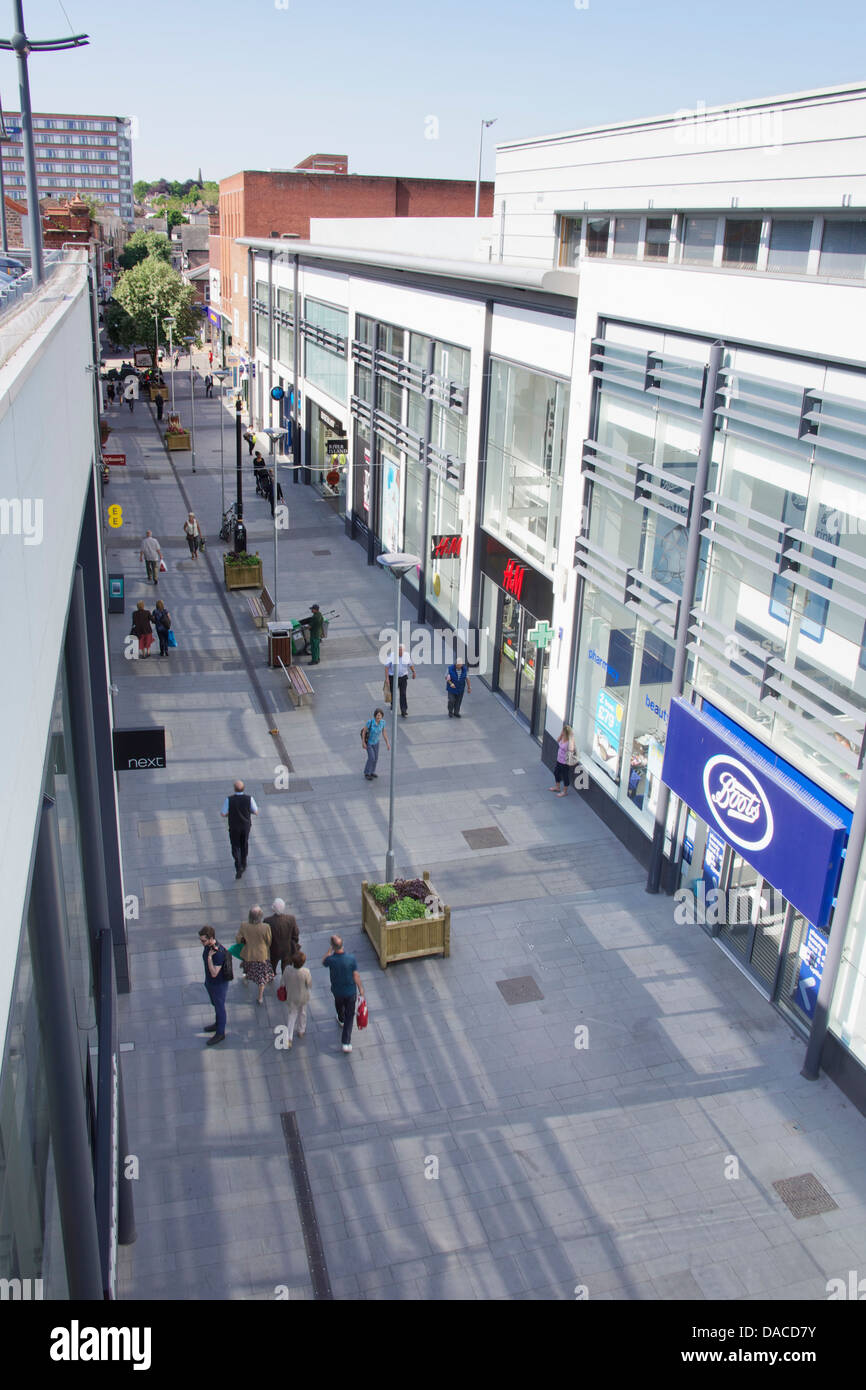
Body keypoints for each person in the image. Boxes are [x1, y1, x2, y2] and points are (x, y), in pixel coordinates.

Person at [322, 935, 365, 1053]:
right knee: (350, 1016)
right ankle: (346, 1042)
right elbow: (355, 975)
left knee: (338, 1004)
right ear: (343, 945)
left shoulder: (331, 960)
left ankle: (340, 1018)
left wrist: (329, 950)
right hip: (350, 991)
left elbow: (323, 961)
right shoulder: (351, 959)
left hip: (337, 990)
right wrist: (360, 988)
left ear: (333, 946)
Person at [198, 925, 230, 1045]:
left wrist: (210, 958)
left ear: (211, 938)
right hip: (211, 983)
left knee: (220, 1007)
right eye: (201, 940)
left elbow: (214, 972)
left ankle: (220, 1033)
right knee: (216, 1005)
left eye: (203, 940)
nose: (202, 943)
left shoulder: (218, 953)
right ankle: (217, 1024)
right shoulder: (209, 946)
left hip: (218, 985)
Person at [220, 779, 258, 878]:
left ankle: (238, 865)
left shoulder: (229, 799)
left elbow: (223, 813)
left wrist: (230, 813)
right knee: (244, 843)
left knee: (235, 845)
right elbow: (256, 811)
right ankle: (244, 862)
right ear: (243, 788)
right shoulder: (249, 799)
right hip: (245, 826)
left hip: (234, 827)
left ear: (234, 789)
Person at [236, 906, 273, 1004]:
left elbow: (238, 939)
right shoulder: (265, 927)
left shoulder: (244, 925)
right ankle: (260, 997)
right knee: (261, 977)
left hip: (248, 954)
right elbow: (269, 941)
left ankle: (245, 979)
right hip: (261, 956)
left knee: (247, 968)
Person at [280, 952, 312, 1049]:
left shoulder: (287, 970)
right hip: (303, 997)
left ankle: (289, 1037)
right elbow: (309, 985)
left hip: (291, 996)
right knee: (302, 1012)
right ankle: (301, 1030)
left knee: (292, 1015)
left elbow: (282, 983)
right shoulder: (306, 972)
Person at [265, 898, 300, 976]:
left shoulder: (267, 921)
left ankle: (272, 974)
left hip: (273, 949)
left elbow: (266, 937)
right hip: (287, 949)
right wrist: (294, 943)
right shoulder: (291, 919)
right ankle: (284, 979)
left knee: (272, 964)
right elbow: (296, 933)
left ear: (273, 909)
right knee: (286, 967)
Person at [386, 645, 416, 717]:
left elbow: (410, 664)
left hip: (403, 677)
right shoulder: (392, 655)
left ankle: (404, 710)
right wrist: (387, 678)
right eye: (399, 651)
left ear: (404, 651)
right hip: (393, 677)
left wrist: (413, 672)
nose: (400, 653)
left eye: (401, 651)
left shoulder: (406, 655)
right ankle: (393, 704)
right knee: (393, 692)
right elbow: (386, 667)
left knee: (403, 693)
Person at [361, 707, 390, 781]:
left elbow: (384, 732)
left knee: (376, 758)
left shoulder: (383, 722)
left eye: (380, 715)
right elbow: (364, 732)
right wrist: (363, 742)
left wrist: (387, 743)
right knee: (371, 757)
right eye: (377, 715)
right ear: (375, 716)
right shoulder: (370, 722)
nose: (379, 717)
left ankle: (372, 772)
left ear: (382, 716)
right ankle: (367, 772)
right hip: (369, 743)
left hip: (376, 743)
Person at [551, 724, 577, 798]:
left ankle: (565, 792)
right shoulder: (563, 737)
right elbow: (557, 740)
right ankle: (557, 787)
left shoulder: (570, 741)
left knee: (565, 776)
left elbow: (572, 750)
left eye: (563, 731)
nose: (562, 732)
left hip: (565, 762)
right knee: (556, 772)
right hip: (559, 760)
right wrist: (561, 735)